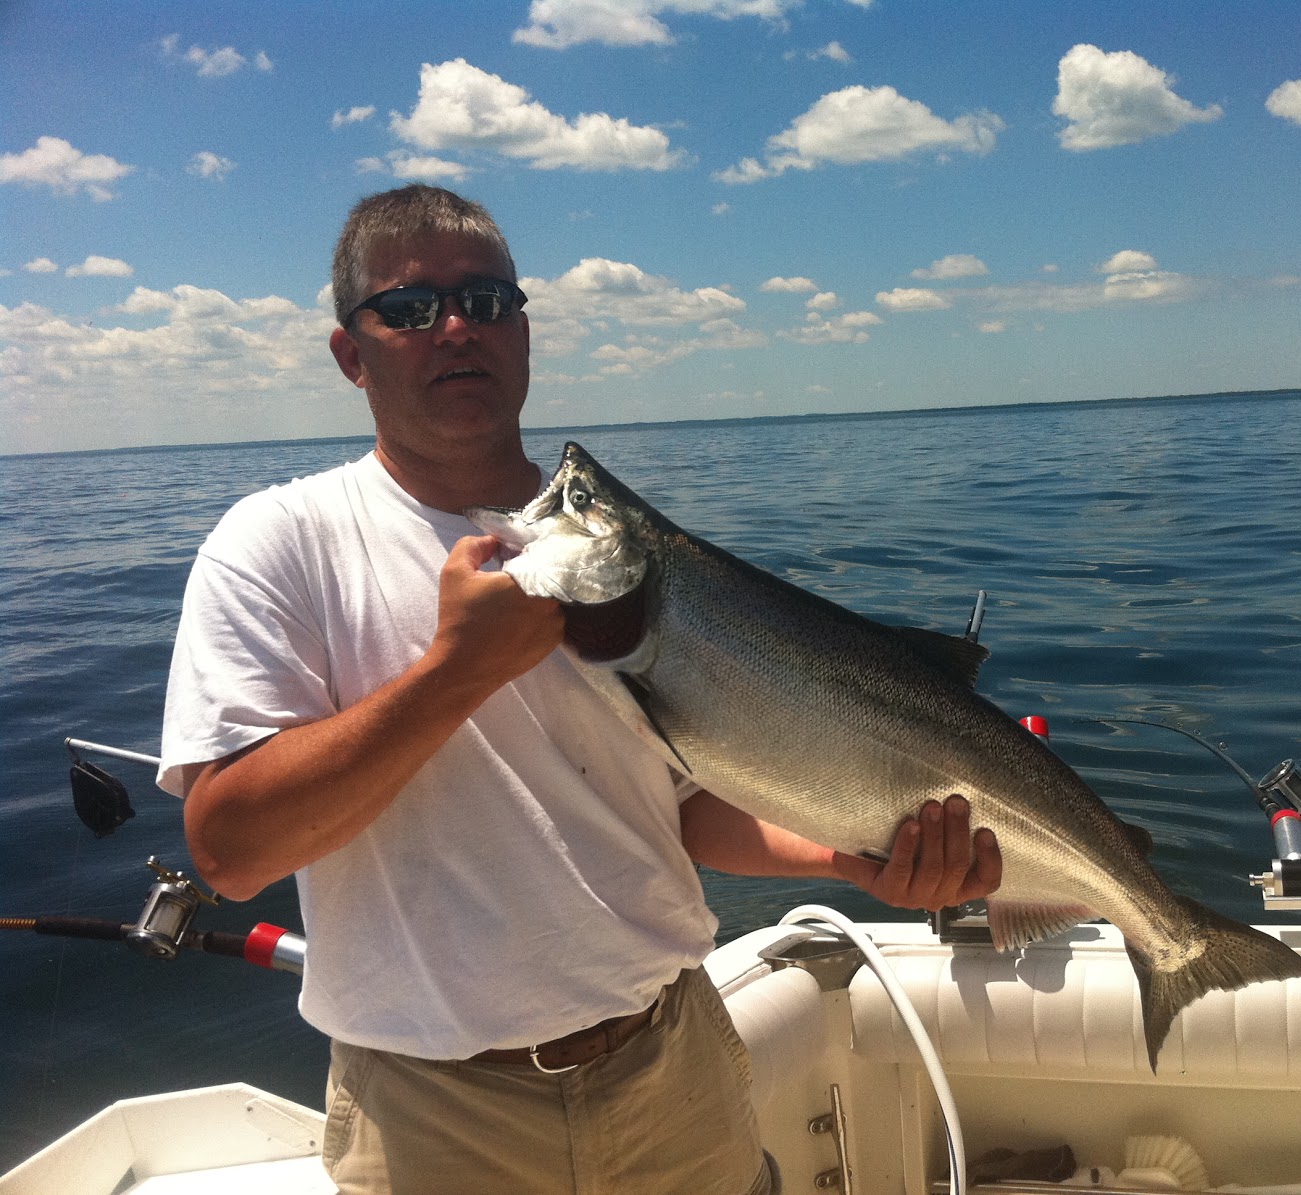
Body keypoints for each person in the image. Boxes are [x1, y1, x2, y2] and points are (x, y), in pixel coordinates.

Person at [158, 183, 1002, 1195]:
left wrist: (850, 856)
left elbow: (682, 803)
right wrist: (455, 673)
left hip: (673, 1061)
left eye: (487, 298)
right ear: (351, 353)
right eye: (412, 307)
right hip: (438, 1112)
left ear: (523, 330)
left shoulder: (616, 550)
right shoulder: (280, 543)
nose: (458, 326)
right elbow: (231, 849)